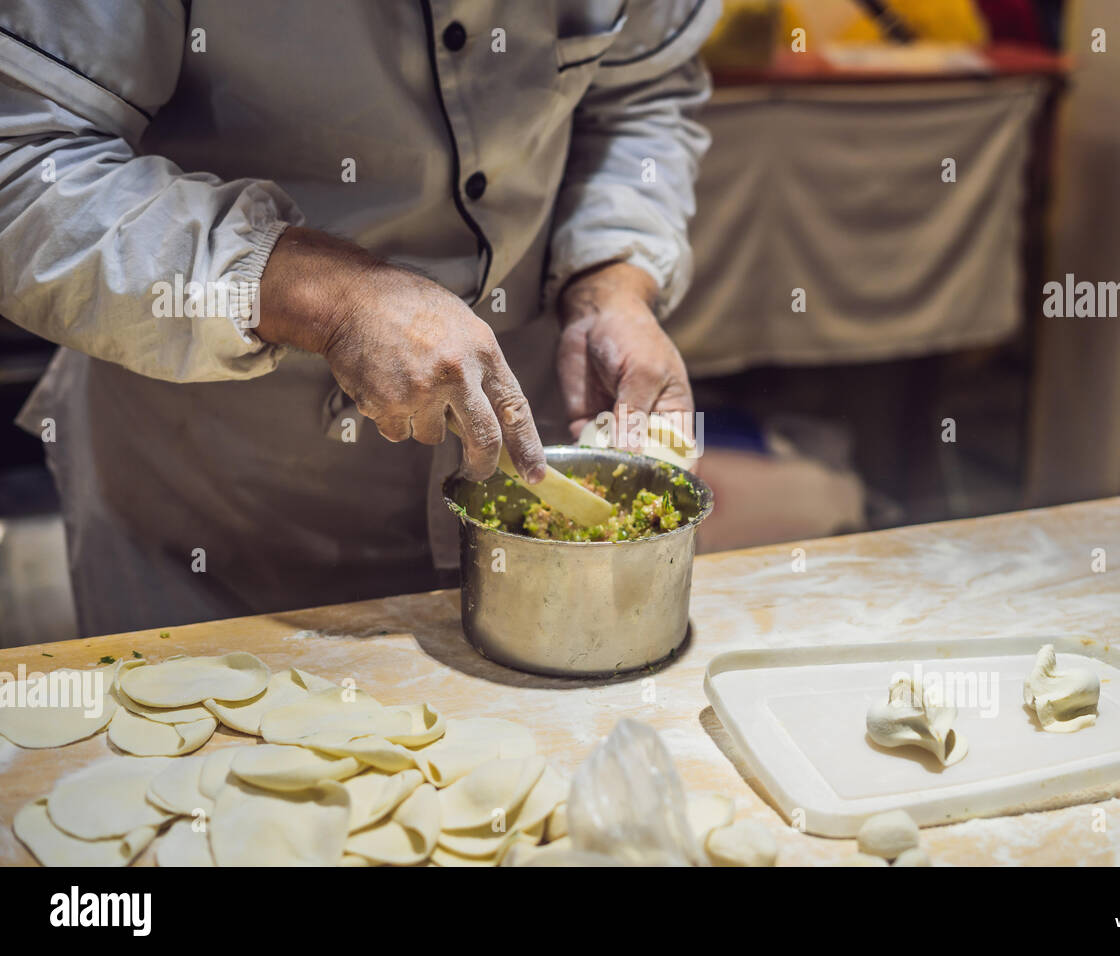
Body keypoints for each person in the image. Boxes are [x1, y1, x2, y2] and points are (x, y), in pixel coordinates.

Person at [0, 0, 718, 636]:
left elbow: (638, 96)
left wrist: (611, 282)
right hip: (221, 501)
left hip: (517, 477)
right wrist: (323, 295)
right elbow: (25, 169)